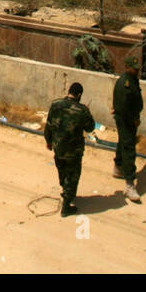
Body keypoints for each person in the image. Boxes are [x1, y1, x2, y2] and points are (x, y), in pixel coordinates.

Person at [45, 82, 95, 217]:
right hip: (74, 150)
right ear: (79, 95)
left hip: (58, 147)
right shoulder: (82, 110)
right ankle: (66, 206)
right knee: (73, 175)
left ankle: (65, 190)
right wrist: (87, 113)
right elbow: (90, 128)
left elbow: (48, 125)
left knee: (62, 170)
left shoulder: (56, 104)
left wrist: (48, 142)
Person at [111, 52, 143, 203]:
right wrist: (134, 120)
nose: (137, 71)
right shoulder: (125, 83)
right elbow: (123, 109)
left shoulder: (132, 80)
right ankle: (130, 184)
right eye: (134, 68)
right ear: (128, 67)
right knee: (129, 148)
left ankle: (118, 166)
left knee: (123, 142)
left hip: (129, 119)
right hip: (126, 120)